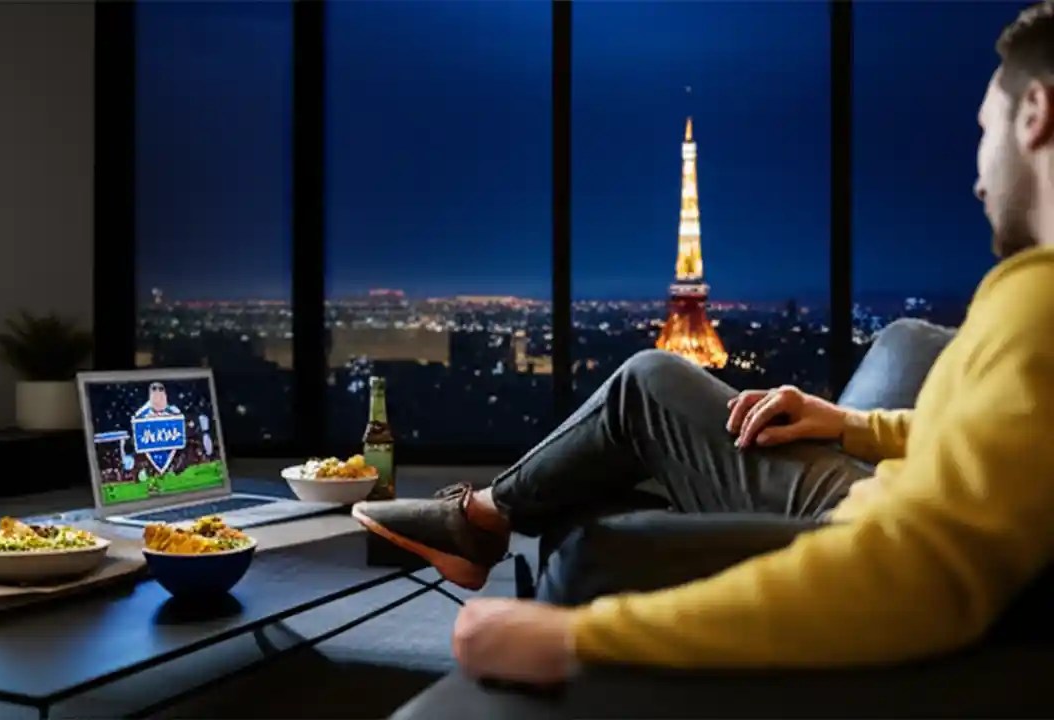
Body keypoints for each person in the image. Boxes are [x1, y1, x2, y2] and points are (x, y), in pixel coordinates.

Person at [352, 1, 1054, 684]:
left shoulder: (1038, 301)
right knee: (647, 387)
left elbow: (920, 572)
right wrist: (852, 423)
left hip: (860, 516)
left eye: (984, 130)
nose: (975, 175)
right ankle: (483, 518)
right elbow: (1002, 441)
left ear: (1035, 115)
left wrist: (583, 638)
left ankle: (478, 520)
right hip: (878, 482)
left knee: (646, 383)